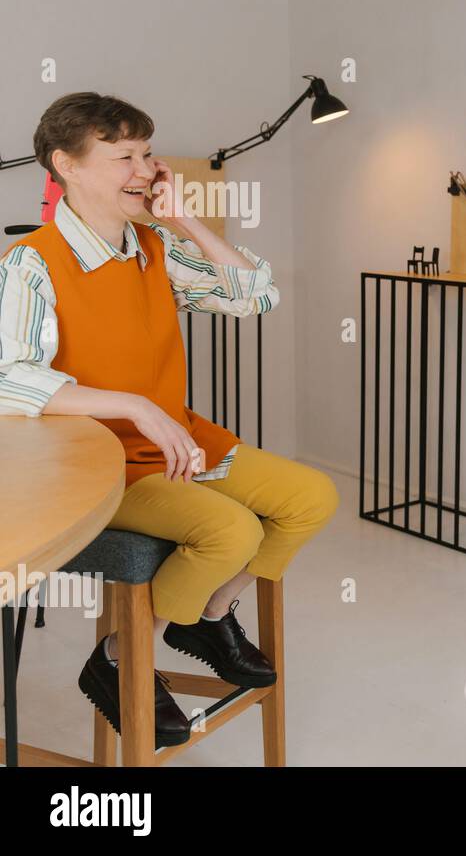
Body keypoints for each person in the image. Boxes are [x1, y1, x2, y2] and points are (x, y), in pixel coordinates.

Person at [0, 92, 339, 748]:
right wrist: (132, 405)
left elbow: (257, 297)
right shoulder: (32, 264)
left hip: (177, 441)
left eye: (147, 153)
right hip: (98, 464)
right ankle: (123, 657)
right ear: (66, 165)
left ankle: (208, 614)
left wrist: (187, 224)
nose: (146, 169)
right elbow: (8, 377)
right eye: (123, 155)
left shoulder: (155, 248)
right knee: (230, 530)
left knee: (311, 497)